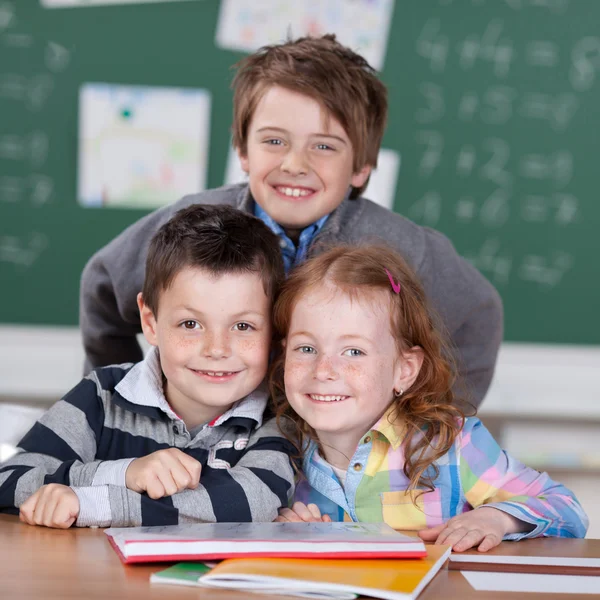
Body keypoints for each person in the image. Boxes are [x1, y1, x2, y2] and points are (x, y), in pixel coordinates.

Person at [80, 34, 502, 408]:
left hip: (332, 463)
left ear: (361, 167)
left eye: (324, 146)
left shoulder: (400, 246)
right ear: (243, 150)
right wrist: (126, 402)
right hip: (209, 454)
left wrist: (433, 422)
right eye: (275, 140)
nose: (295, 164)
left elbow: (478, 315)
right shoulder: (191, 227)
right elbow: (101, 286)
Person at [270, 244, 588, 552]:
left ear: (404, 370)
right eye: (306, 349)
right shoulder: (275, 449)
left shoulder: (451, 445)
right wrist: (286, 528)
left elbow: (566, 509)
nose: (323, 370)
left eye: (354, 351)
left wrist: (497, 518)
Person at [0, 205, 296, 529]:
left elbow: (250, 504)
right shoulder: (101, 397)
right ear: (151, 322)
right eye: (190, 323)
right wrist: (125, 473)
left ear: (275, 330)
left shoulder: (278, 418)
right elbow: (10, 479)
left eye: (243, 327)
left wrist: (91, 501)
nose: (217, 349)